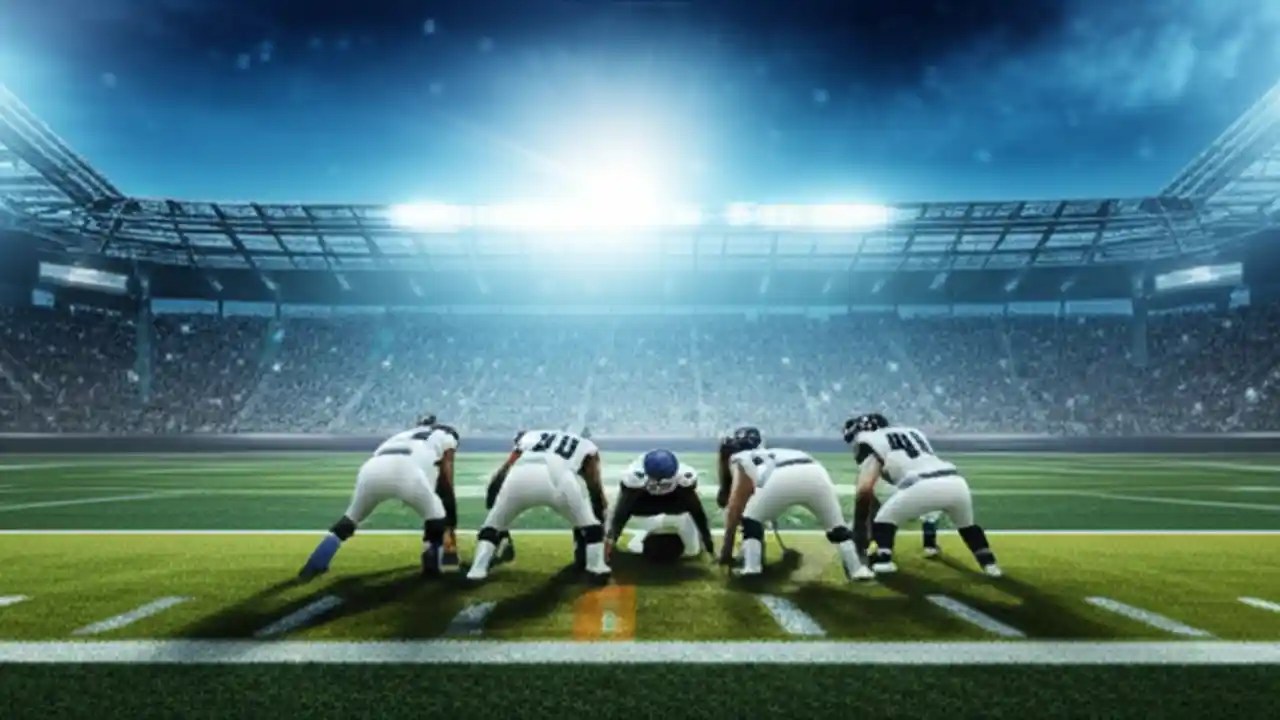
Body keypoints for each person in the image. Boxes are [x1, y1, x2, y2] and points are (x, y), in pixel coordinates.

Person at [844, 413, 1003, 578]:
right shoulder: (912, 432)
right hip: (955, 481)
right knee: (967, 526)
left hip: (920, 484)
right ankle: (990, 564)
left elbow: (864, 491)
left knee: (884, 521)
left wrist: (860, 531)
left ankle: (884, 560)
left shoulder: (868, 440)